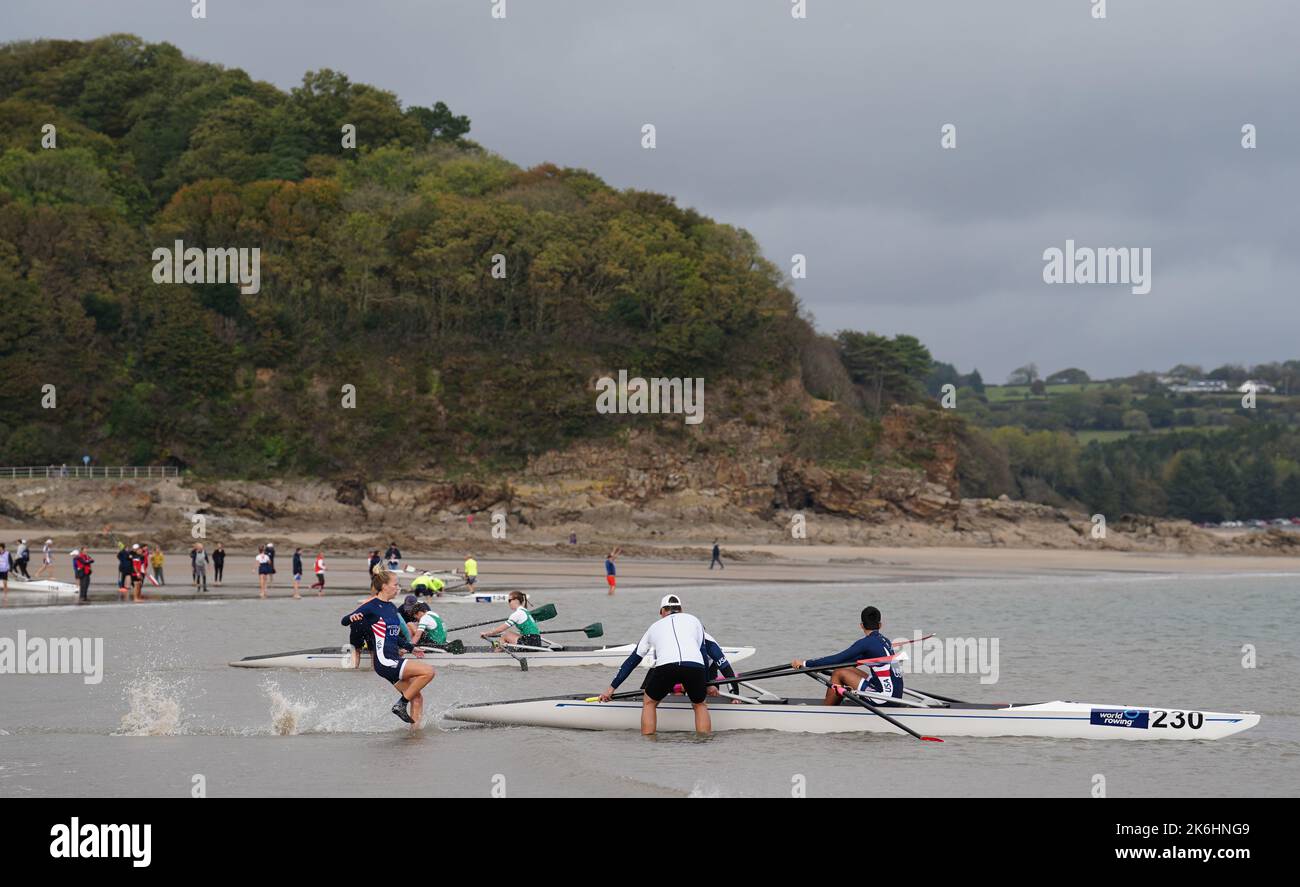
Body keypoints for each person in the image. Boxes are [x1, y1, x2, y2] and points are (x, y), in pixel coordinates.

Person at [598, 594, 712, 735]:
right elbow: (703, 653)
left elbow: (633, 660)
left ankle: (649, 740)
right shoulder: (694, 620)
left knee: (649, 702)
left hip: (666, 667)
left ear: (661, 612)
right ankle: (705, 740)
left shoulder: (654, 627)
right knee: (700, 704)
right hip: (695, 666)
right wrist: (706, 684)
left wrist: (611, 688)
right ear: (681, 609)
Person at [342, 567, 436, 725]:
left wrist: (412, 648)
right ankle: (401, 704)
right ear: (384, 586)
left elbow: (393, 635)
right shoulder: (371, 605)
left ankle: (414, 736)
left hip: (392, 658)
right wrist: (353, 617)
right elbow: (344, 621)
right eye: (396, 584)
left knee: (417, 698)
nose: (398, 588)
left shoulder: (392, 607)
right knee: (428, 672)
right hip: (385, 660)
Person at [790, 606, 903, 707]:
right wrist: (820, 666)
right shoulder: (885, 641)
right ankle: (835, 702)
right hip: (896, 696)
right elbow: (844, 661)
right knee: (845, 668)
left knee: (838, 673)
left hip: (883, 699)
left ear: (861, 625)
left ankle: (825, 713)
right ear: (880, 625)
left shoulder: (865, 643)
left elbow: (837, 659)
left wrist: (805, 663)